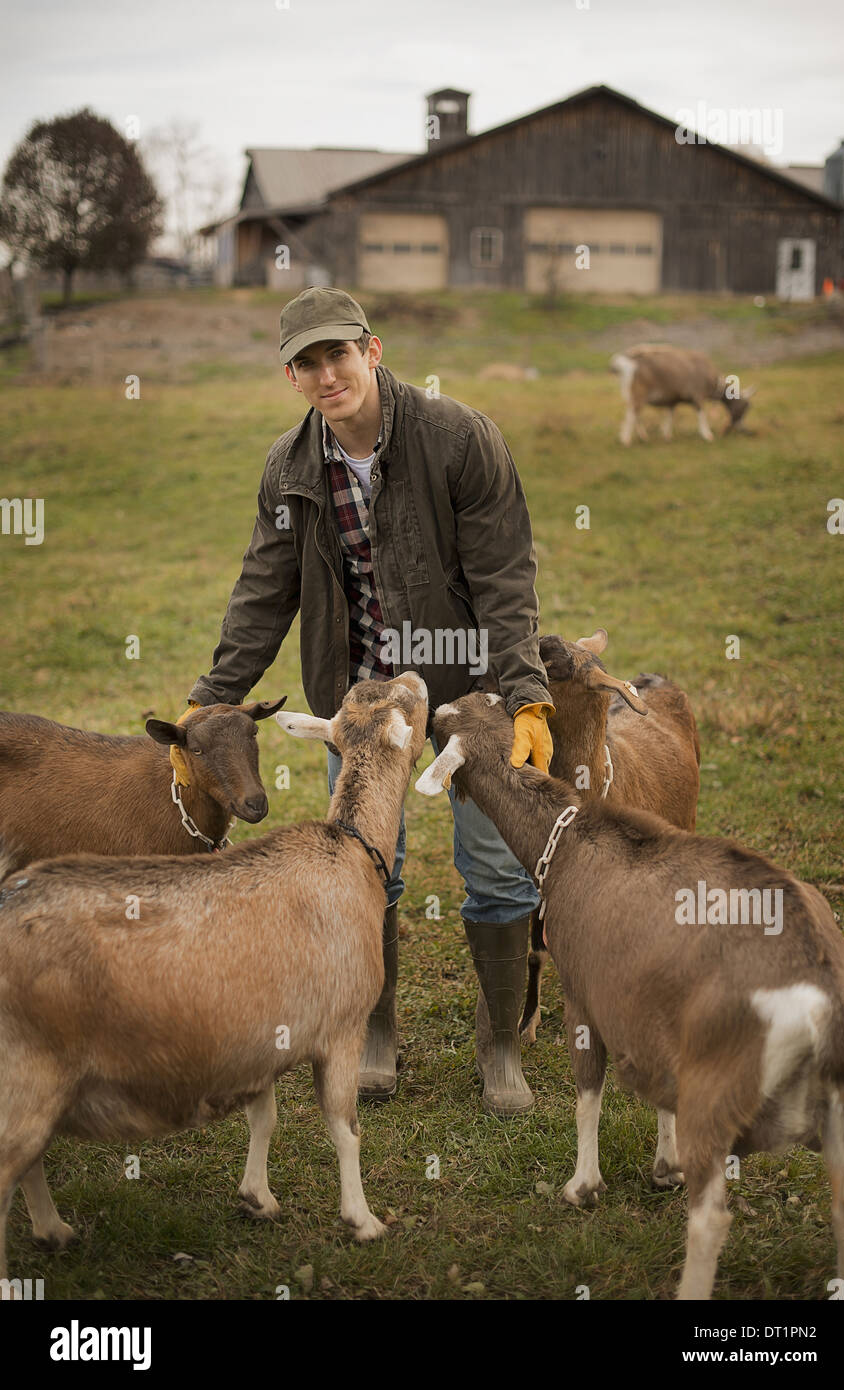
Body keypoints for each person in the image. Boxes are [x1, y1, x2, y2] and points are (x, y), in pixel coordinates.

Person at [187, 287, 553, 1115]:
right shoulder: (289, 468)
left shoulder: (459, 438)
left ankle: (501, 1047)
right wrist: (209, 701)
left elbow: (504, 577)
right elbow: (262, 592)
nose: (327, 375)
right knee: (361, 871)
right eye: (307, 363)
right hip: (358, 693)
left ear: (373, 351)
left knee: (494, 866)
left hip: (466, 682)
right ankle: (373, 1031)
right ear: (291, 375)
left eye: (338, 355)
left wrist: (524, 696)